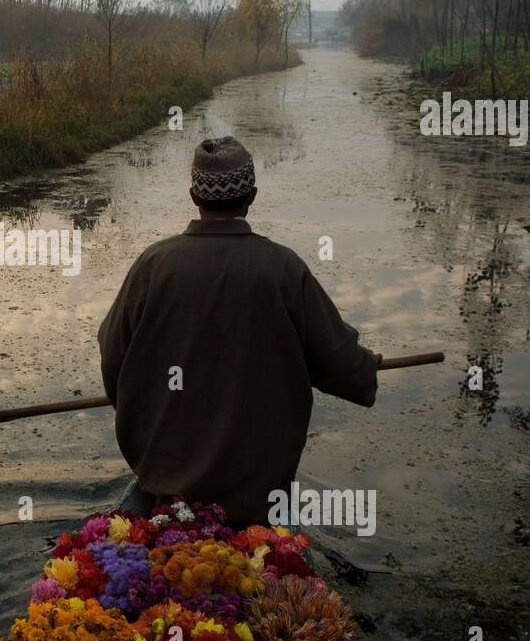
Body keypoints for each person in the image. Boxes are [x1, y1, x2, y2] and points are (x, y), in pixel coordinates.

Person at [97, 136, 380, 526]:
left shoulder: (153, 265)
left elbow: (113, 355)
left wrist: (135, 401)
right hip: (257, 493)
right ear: (251, 196)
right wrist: (366, 367)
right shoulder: (282, 268)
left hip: (167, 480)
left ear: (194, 196)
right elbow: (339, 361)